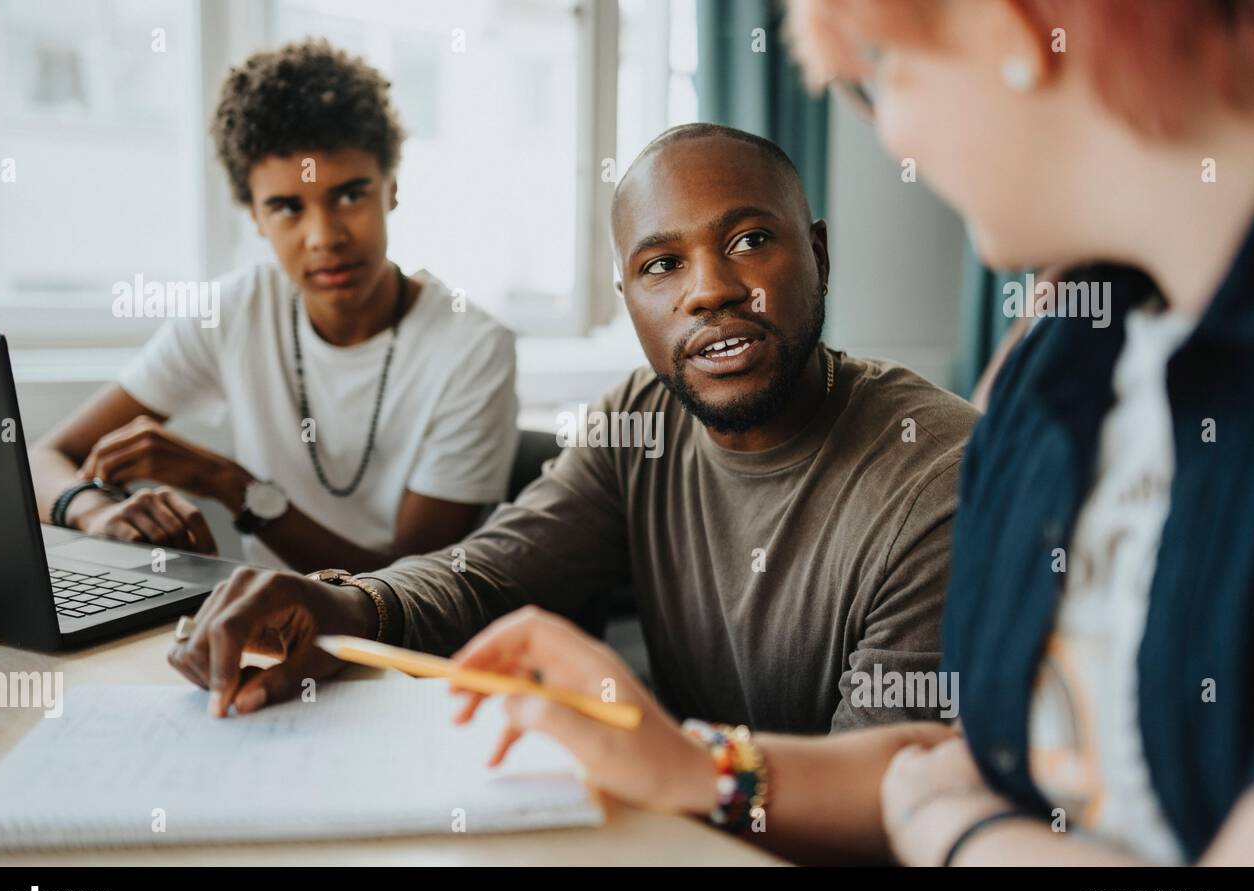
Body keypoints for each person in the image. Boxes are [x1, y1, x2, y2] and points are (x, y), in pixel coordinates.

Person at [437, 0, 1254, 867]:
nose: (893, 139)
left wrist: (961, 836)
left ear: (1013, 35)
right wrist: (692, 767)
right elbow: (956, 764)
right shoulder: (1056, 362)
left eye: (886, 73)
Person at [170, 123, 980, 739]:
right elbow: (485, 577)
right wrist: (343, 607)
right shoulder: (640, 418)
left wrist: (666, 770)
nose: (709, 291)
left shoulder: (942, 473)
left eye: (749, 241)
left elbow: (882, 791)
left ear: (819, 257)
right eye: (662, 264)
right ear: (627, 298)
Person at [30, 39, 518, 574]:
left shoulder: (474, 347)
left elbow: (409, 587)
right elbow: (42, 458)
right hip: (261, 632)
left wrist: (231, 487)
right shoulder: (235, 311)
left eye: (350, 195)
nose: (324, 237)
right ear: (255, 216)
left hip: (403, 648)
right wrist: (94, 512)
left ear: (391, 190)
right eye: (288, 207)